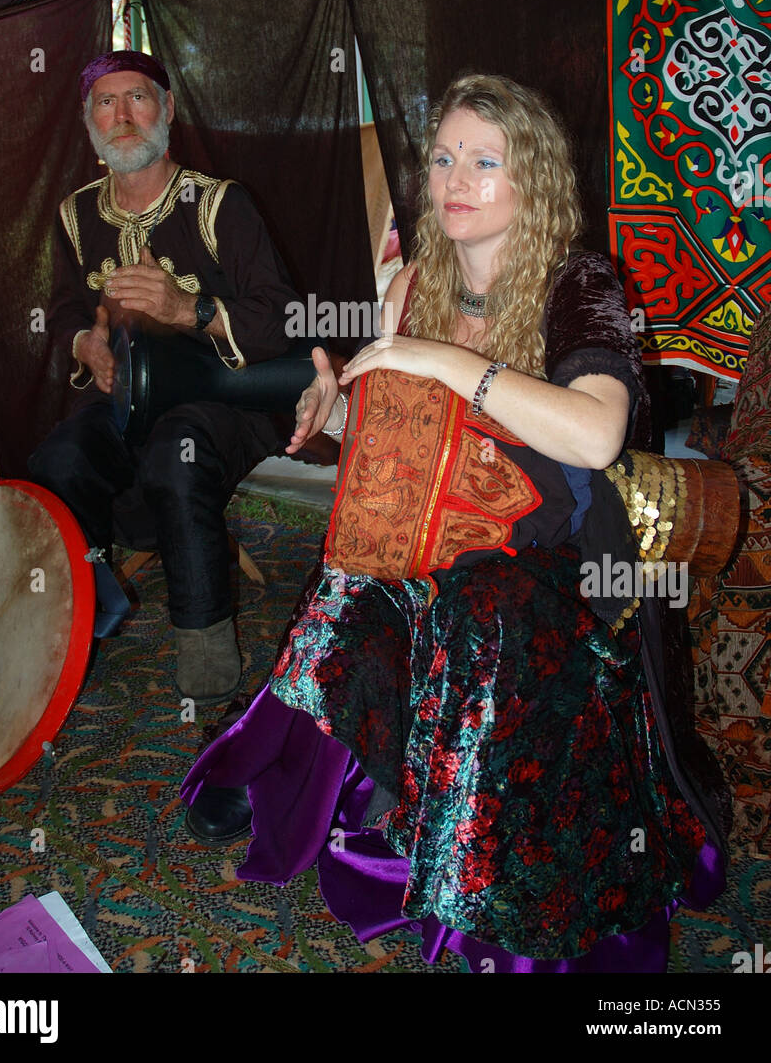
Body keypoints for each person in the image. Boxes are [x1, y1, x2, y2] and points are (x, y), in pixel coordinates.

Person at [180, 73, 727, 972]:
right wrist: (338, 403)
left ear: (533, 181)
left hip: (558, 554)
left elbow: (595, 434)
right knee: (345, 583)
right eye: (443, 158)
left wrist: (436, 359)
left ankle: (473, 877)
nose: (456, 179)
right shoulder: (412, 283)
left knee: (482, 614)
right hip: (434, 529)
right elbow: (397, 426)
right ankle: (282, 775)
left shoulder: (582, 283)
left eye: (484, 161)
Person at [29, 50, 299, 703]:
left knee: (176, 458)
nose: (121, 115)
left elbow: (283, 318)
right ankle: (84, 614)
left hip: (223, 401)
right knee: (57, 462)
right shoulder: (76, 215)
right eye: (105, 102)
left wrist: (189, 309)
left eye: (138, 98)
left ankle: (206, 653)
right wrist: (83, 342)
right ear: (90, 120)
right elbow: (65, 304)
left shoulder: (219, 205)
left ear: (168, 110)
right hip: (127, 403)